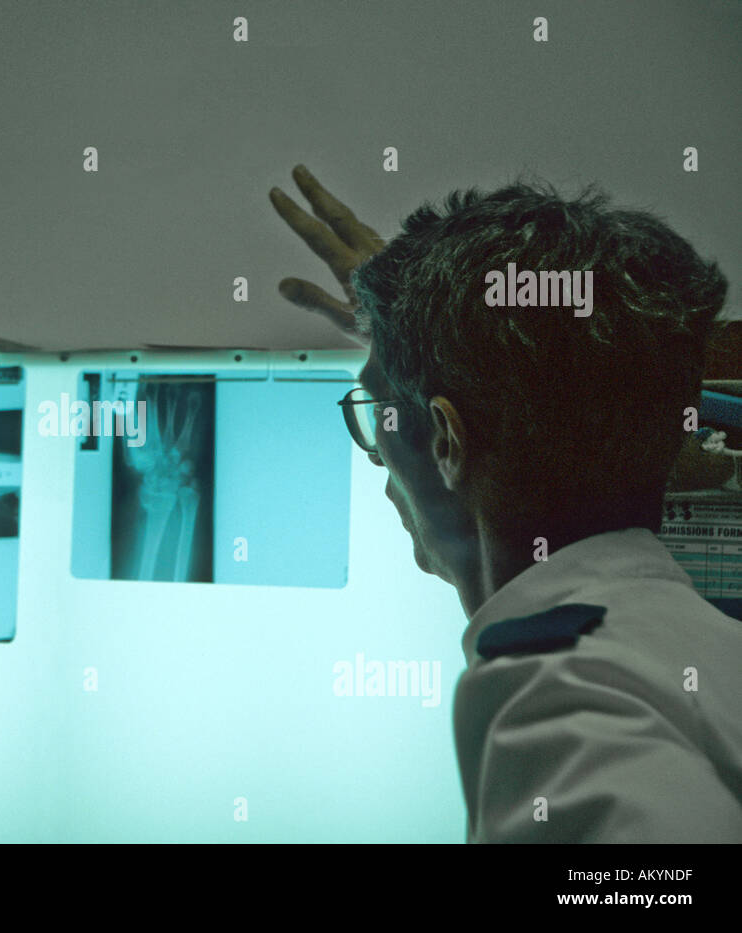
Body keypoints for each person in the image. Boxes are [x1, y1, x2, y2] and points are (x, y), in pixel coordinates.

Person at [271, 166, 742, 841]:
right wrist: (423, 339)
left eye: (378, 419)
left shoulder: (564, 694)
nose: (377, 458)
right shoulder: (703, 645)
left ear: (448, 441)